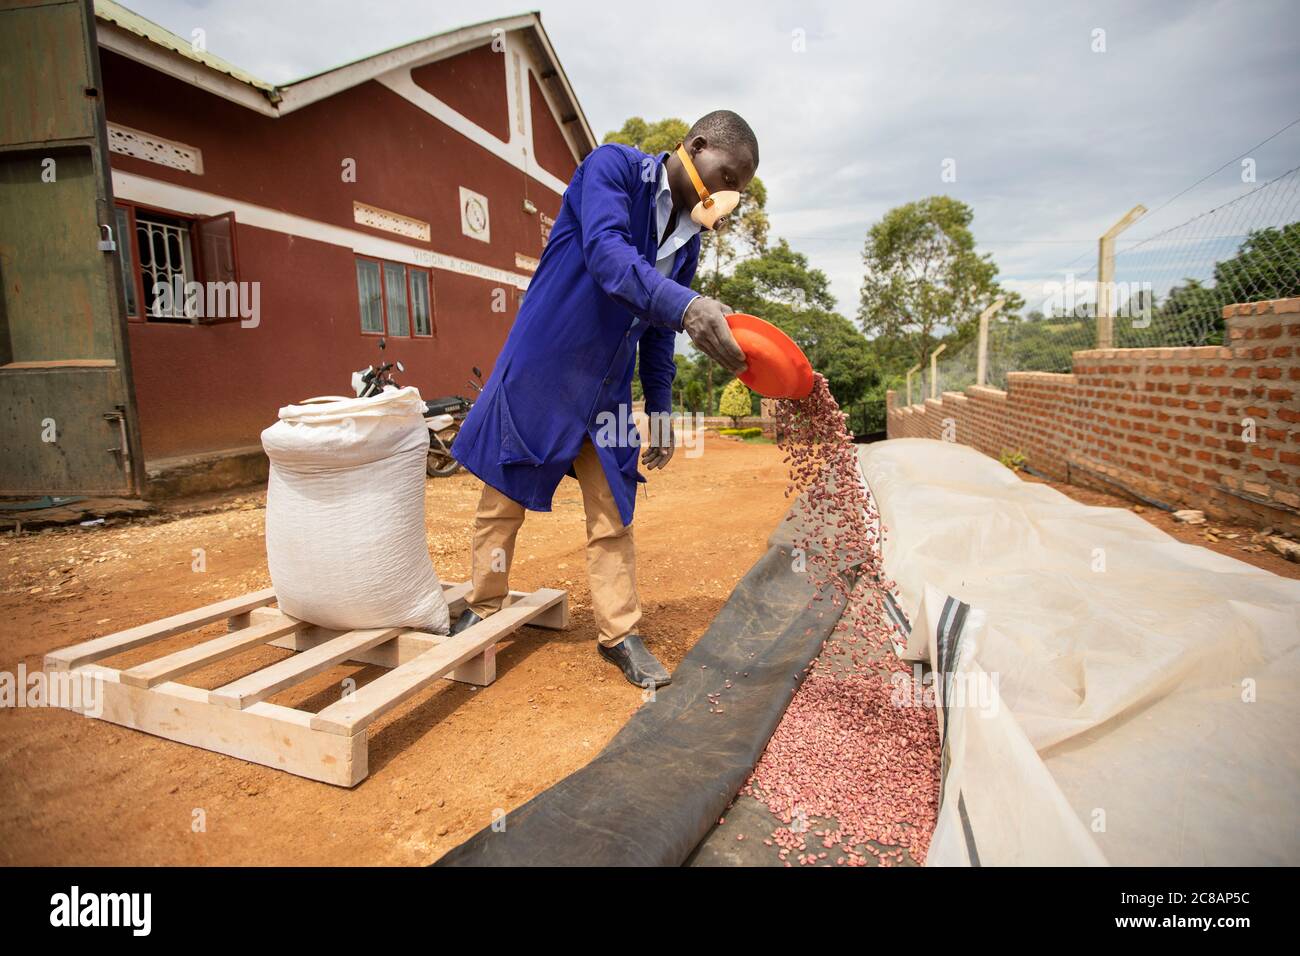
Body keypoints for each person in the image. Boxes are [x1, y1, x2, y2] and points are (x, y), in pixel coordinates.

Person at [449, 110, 760, 689]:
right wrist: (688, 305)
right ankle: (483, 605)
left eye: (738, 190)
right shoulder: (613, 169)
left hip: (608, 391)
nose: (729, 195)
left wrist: (662, 411)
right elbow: (607, 255)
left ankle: (620, 635)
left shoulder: (687, 241)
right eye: (729, 177)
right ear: (696, 146)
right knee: (503, 496)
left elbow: (660, 333)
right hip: (544, 366)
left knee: (613, 511)